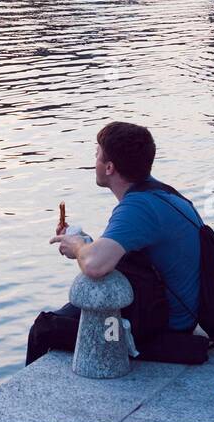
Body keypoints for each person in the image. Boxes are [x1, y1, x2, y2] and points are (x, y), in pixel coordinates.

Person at [26, 122, 203, 366]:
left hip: (164, 326)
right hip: (172, 310)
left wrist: (78, 247)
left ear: (109, 167)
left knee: (44, 329)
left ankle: (33, 400)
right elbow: (117, 255)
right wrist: (82, 242)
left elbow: (95, 266)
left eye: (97, 154)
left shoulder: (137, 207)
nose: (94, 160)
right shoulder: (160, 193)